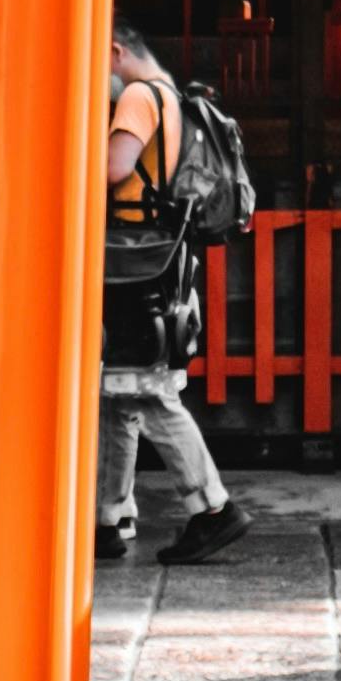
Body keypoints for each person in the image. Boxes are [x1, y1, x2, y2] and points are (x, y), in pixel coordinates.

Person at [97, 28, 248, 566]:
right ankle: (106, 517)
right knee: (118, 392)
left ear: (116, 50)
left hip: (132, 261)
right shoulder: (175, 97)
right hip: (160, 260)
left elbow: (114, 169)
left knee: (146, 390)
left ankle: (212, 508)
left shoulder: (138, 96)